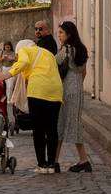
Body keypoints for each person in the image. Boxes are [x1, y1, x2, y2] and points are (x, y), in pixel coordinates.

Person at [7, 36, 63, 173]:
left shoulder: (25, 51)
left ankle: (42, 165)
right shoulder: (48, 53)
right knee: (51, 128)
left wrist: (8, 73)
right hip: (56, 91)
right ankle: (52, 164)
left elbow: (24, 61)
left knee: (38, 129)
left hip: (38, 91)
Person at [55, 20, 92, 172]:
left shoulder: (66, 49)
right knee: (73, 123)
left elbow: (54, 64)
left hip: (66, 89)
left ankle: (55, 160)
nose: (59, 35)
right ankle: (83, 160)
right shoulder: (81, 49)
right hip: (77, 89)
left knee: (60, 124)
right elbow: (83, 72)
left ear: (68, 34)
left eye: (61, 33)